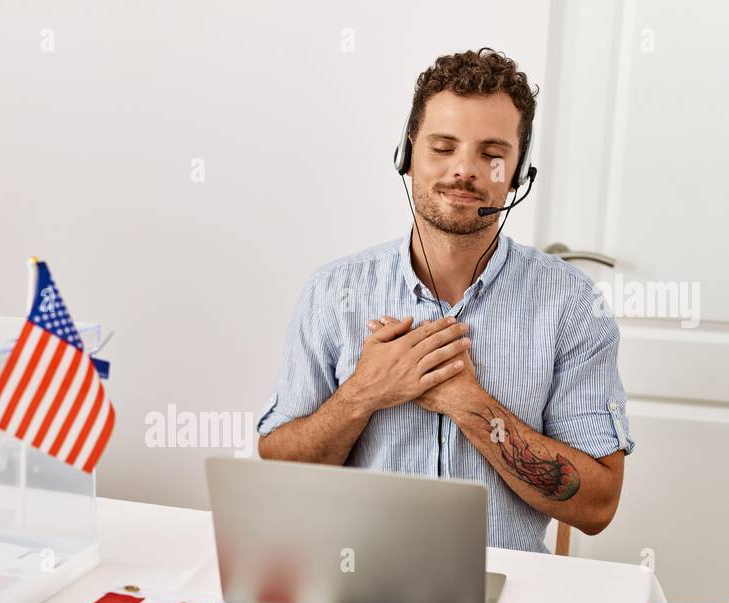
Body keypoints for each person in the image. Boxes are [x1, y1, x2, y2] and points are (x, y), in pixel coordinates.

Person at [257, 48, 634, 553]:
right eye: (443, 147)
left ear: (519, 171)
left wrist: (468, 403)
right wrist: (365, 392)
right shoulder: (332, 292)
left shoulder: (571, 304)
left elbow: (597, 507)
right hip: (355, 584)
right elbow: (277, 470)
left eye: (491, 153)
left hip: (505, 590)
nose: (464, 170)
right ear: (406, 154)